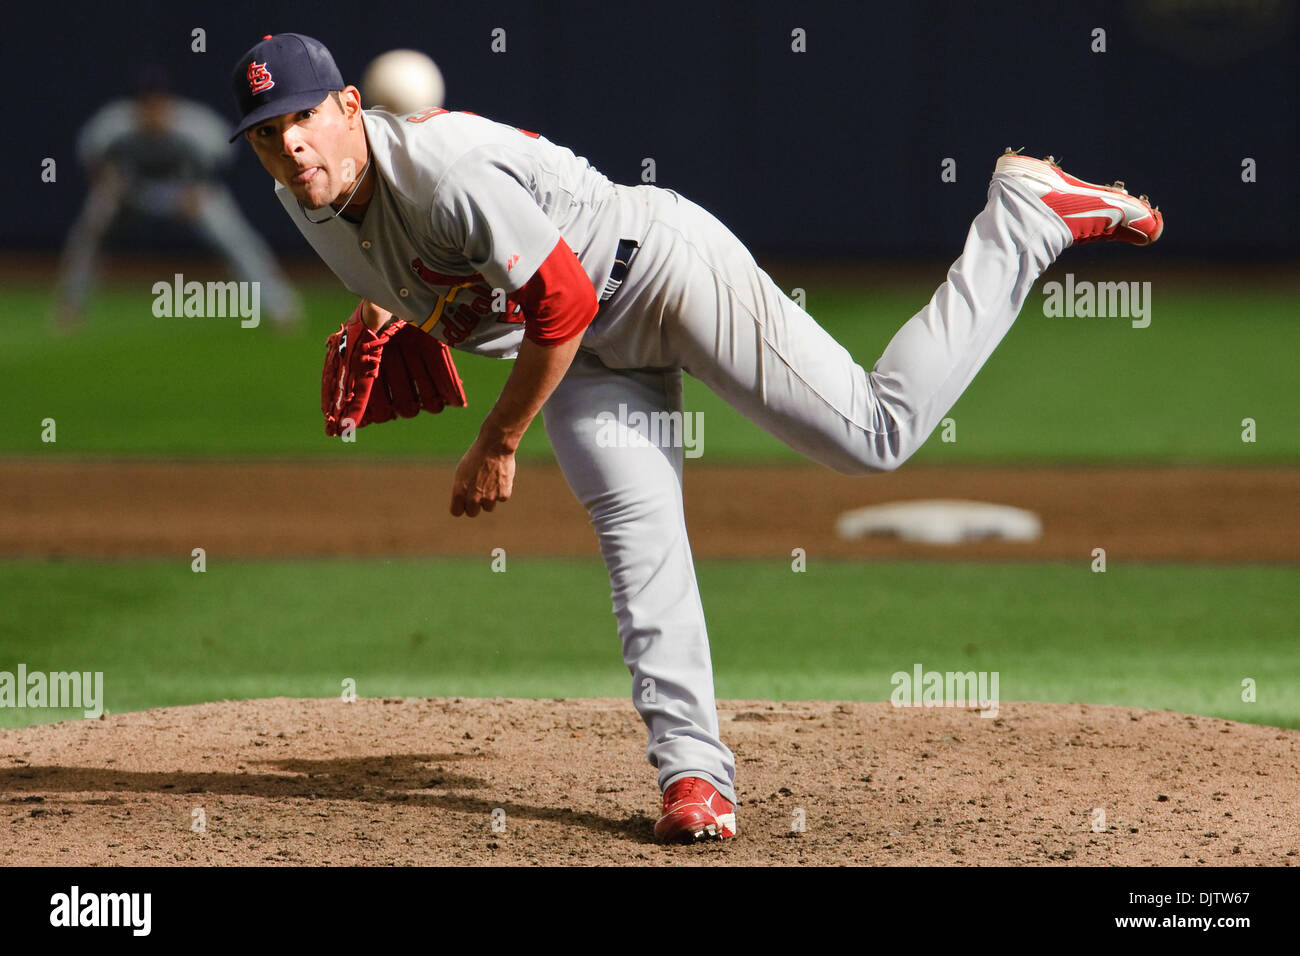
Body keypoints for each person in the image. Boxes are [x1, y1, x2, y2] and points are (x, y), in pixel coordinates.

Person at [229, 33, 1162, 844]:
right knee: (642, 547)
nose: (291, 144)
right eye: (268, 134)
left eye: (306, 117)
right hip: (590, 359)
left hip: (661, 275)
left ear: (351, 106)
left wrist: (500, 438)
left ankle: (1027, 221)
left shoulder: (447, 175)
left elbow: (562, 302)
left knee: (875, 435)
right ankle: (695, 780)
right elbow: (425, 259)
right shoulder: (303, 194)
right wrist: (390, 307)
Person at [53, 69, 302, 331]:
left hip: (185, 194)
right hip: (131, 193)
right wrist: (109, 184)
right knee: (91, 227)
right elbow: (92, 160)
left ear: (167, 102)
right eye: (146, 103)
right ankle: (70, 306)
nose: (152, 109)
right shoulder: (113, 125)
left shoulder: (194, 125)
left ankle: (280, 305)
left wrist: (196, 187)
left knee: (235, 236)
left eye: (157, 103)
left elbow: (223, 160)